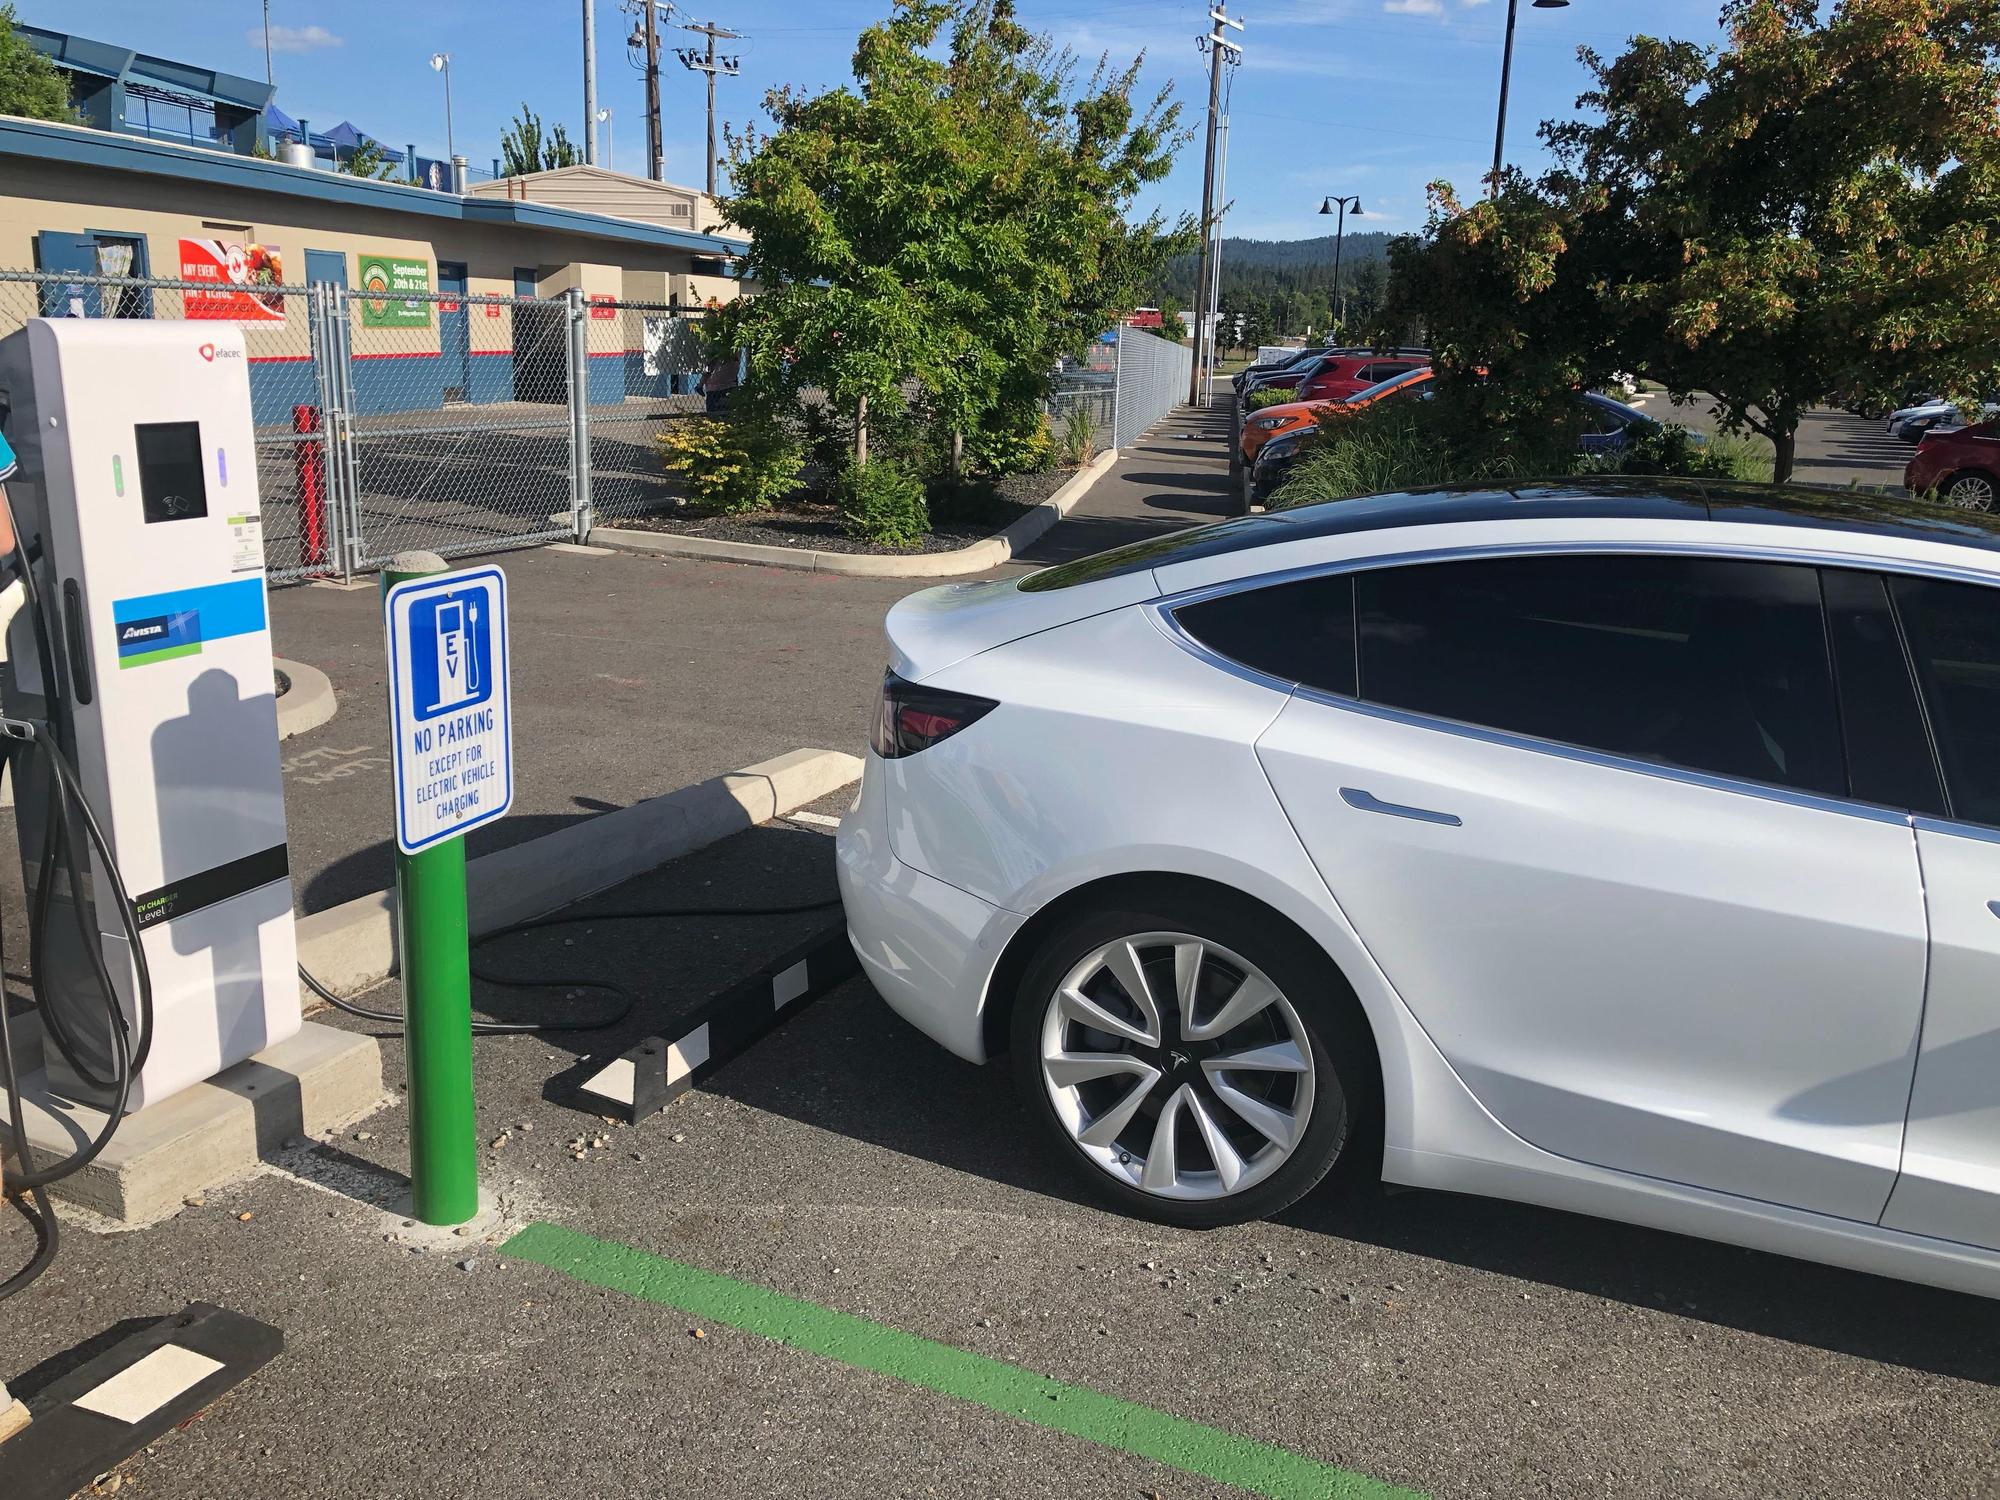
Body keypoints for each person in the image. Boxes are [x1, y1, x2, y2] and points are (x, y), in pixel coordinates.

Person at [700, 348, 741, 416]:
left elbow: (707, 372)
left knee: (714, 414)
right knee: (729, 413)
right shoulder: (734, 358)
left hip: (714, 390)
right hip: (730, 387)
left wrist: (700, 385)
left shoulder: (715, 359)